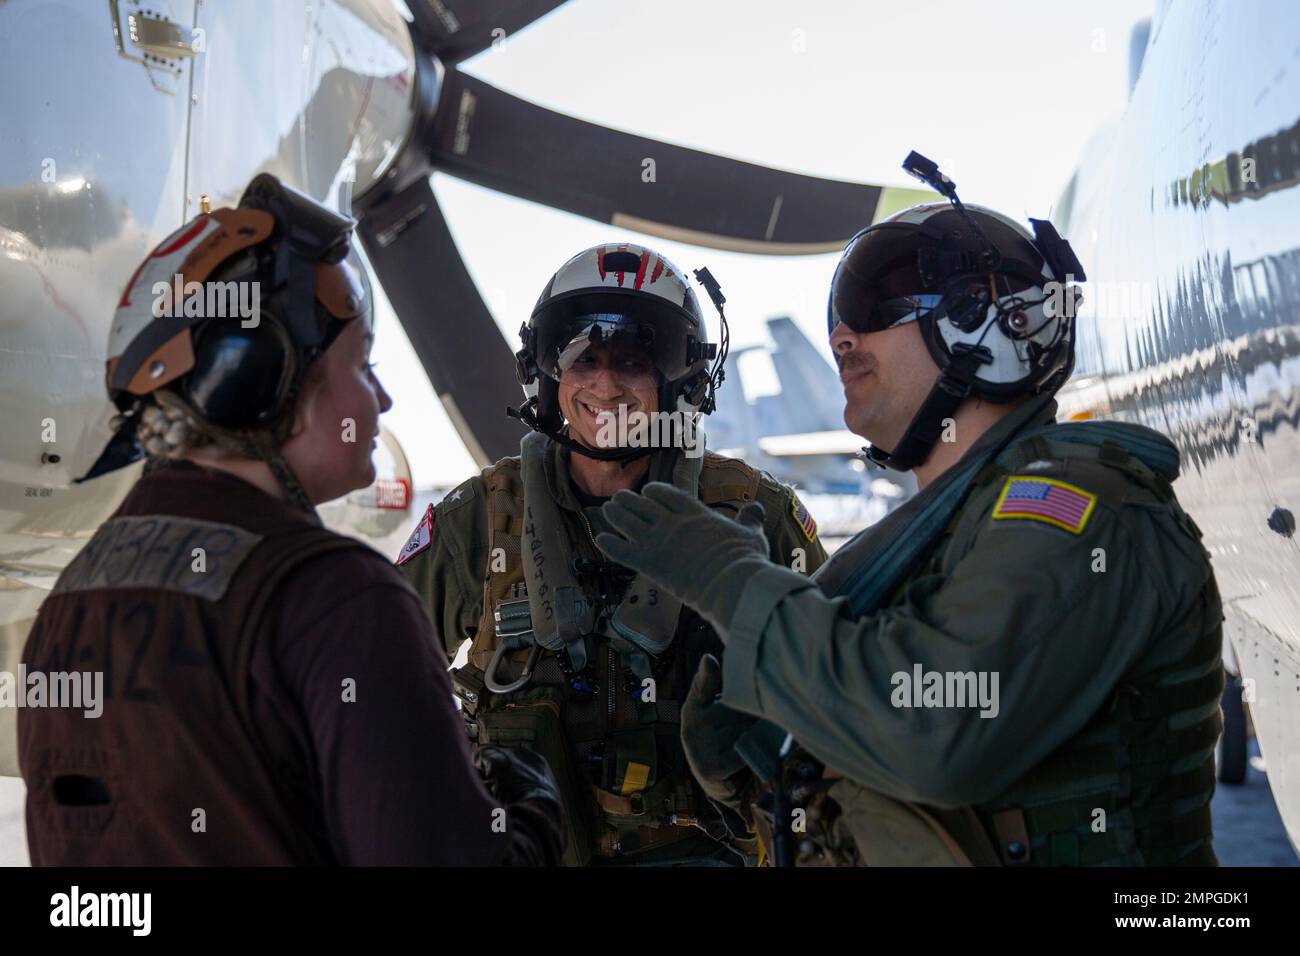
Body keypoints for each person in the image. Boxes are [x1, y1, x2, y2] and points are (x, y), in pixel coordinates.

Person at [594, 158, 1224, 866]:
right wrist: (755, 745)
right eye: (838, 317)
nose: (840, 338)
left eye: (872, 310)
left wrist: (734, 583)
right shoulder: (935, 537)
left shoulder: (1082, 513)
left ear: (979, 323)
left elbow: (938, 734)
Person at [18, 174, 564, 865]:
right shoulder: (336, 599)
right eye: (362, 364)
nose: (385, 399)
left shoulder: (72, 600)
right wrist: (535, 820)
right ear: (266, 375)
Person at [396, 242, 827, 865]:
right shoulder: (481, 518)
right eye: (583, 360)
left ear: (675, 381)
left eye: (631, 362)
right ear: (550, 376)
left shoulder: (753, 513)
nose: (605, 385)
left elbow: (841, 685)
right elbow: (372, 671)